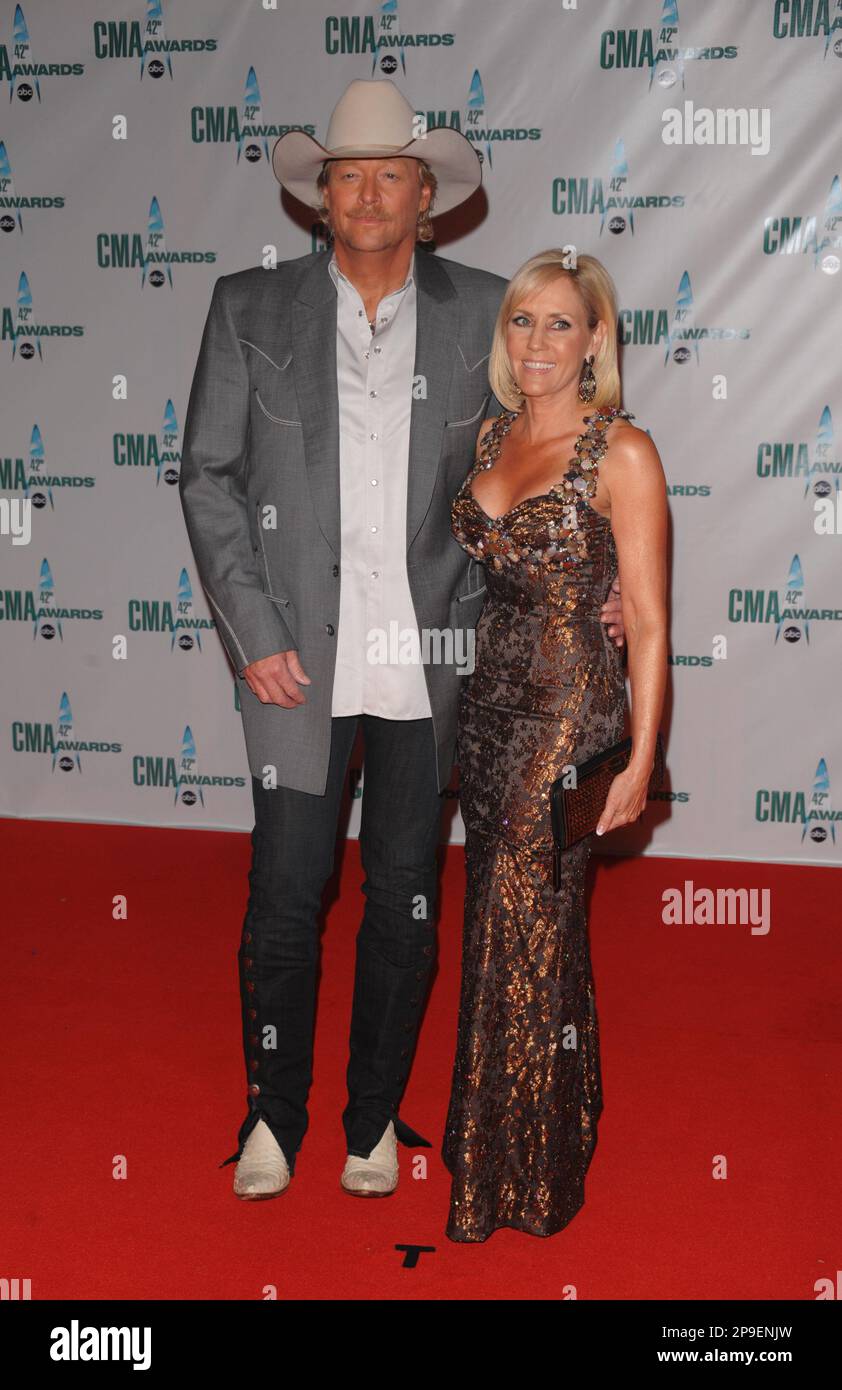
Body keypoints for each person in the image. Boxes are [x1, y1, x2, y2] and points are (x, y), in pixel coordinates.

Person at [178, 78, 626, 1202]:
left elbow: (559, 450)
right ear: (317, 196)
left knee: (404, 895)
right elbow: (209, 481)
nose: (368, 193)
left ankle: (370, 1118)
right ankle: (271, 1116)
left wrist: (606, 579)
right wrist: (254, 631)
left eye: (390, 175)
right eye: (346, 175)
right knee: (284, 894)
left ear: (424, 196)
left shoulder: (486, 311)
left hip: (441, 665)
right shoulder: (247, 308)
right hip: (291, 665)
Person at [443, 249, 667, 1241]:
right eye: (521, 322)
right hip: (485, 708)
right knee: (509, 924)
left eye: (558, 324)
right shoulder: (492, 435)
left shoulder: (620, 452)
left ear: (594, 341)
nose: (536, 341)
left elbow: (652, 623)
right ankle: (532, 1124)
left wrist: (641, 761)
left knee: (518, 919)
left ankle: (521, 1171)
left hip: (571, 713)